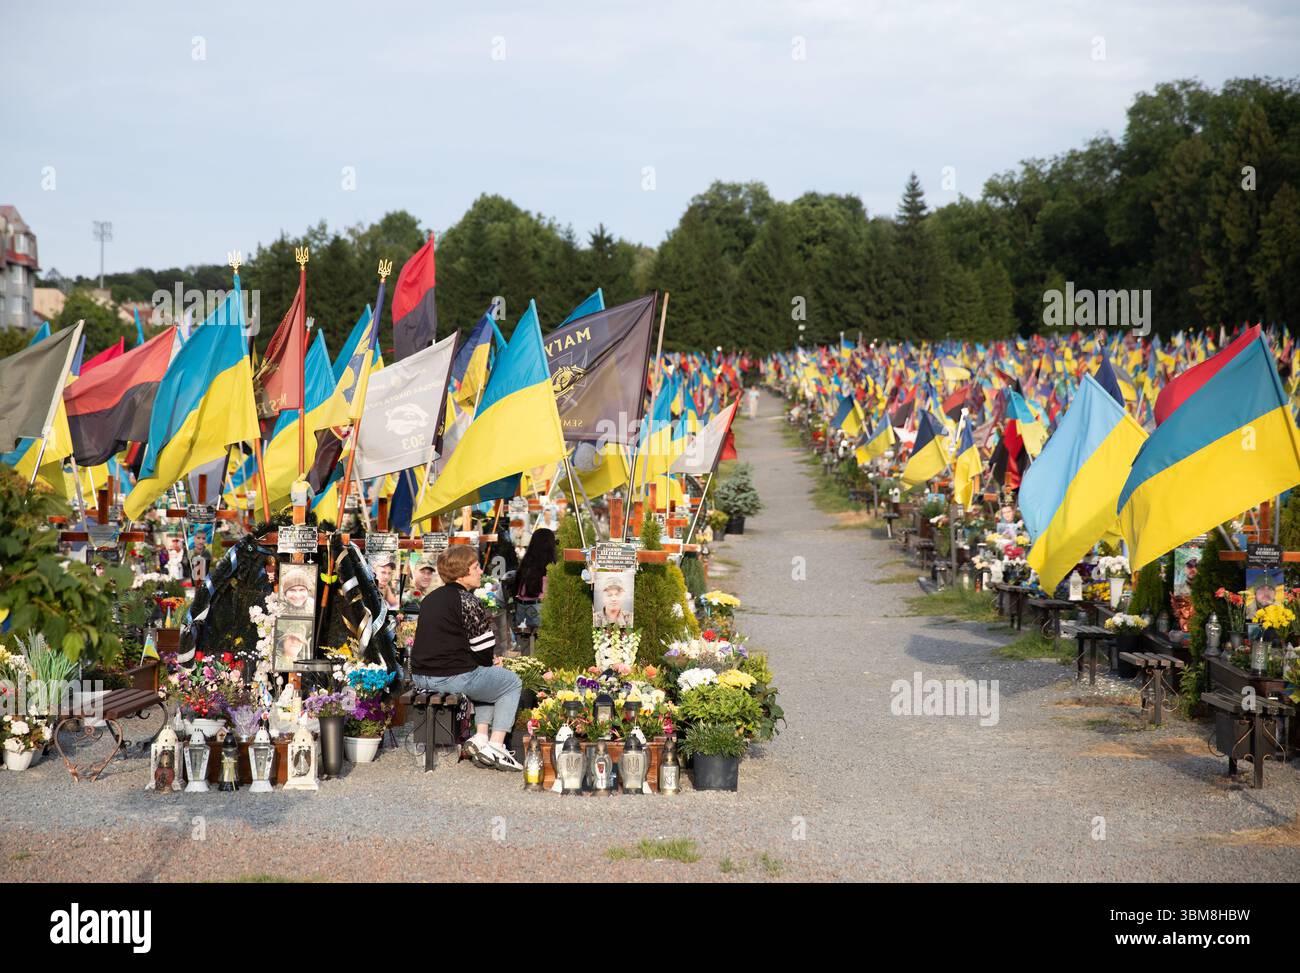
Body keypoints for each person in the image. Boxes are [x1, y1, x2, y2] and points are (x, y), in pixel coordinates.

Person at [409, 545, 523, 771]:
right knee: (511, 683)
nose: (481, 571)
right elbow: (483, 650)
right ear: (462, 573)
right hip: (450, 677)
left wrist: (487, 664)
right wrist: (491, 661)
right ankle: (497, 745)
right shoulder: (469, 601)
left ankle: (481, 737)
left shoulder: (430, 598)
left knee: (488, 677)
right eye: (476, 567)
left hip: (421, 676)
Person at [514, 527, 556, 631]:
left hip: (521, 607)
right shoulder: (550, 565)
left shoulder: (526, 562)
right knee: (539, 641)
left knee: (525, 642)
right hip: (538, 607)